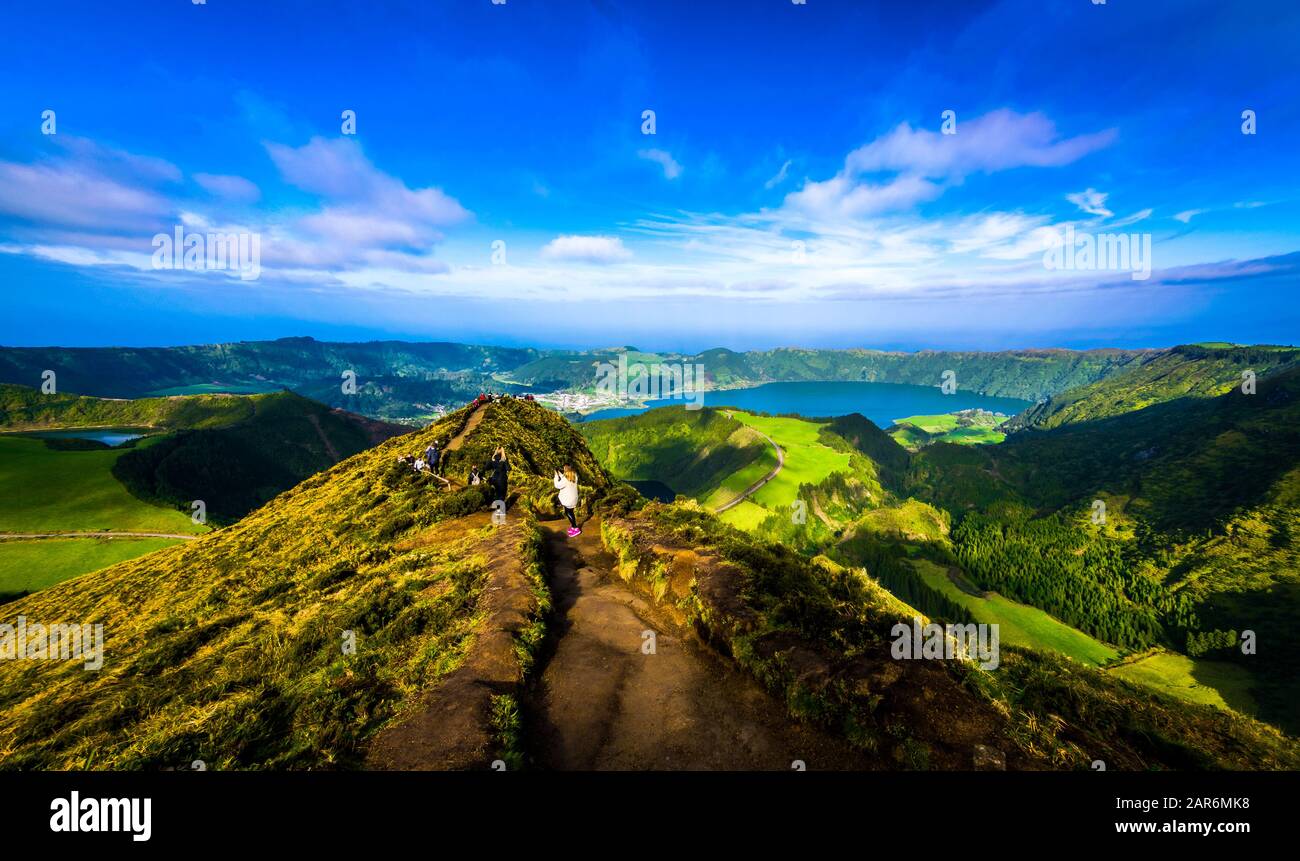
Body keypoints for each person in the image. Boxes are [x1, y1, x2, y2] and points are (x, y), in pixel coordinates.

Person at [553, 465, 580, 537]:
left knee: (568, 512)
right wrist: (559, 474)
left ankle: (575, 528)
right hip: (574, 498)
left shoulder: (565, 480)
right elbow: (565, 477)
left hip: (568, 500)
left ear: (566, 471)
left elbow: (557, 485)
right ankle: (573, 527)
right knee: (570, 512)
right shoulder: (574, 476)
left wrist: (556, 476)